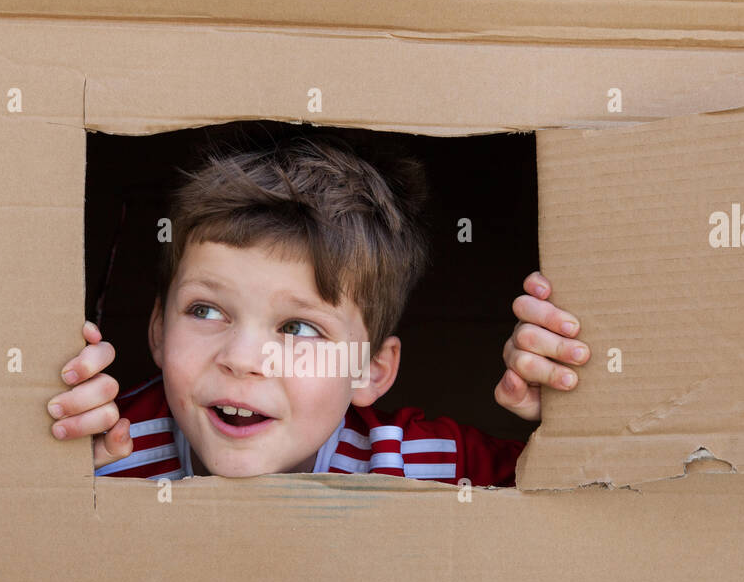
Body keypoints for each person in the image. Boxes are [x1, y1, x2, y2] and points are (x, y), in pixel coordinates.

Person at [46, 135, 589, 487]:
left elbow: (579, 494)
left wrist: (564, 414)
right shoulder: (112, 450)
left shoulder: (415, 464)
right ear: (158, 329)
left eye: (299, 327)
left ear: (369, 370)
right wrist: (55, 473)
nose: (243, 359)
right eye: (207, 311)